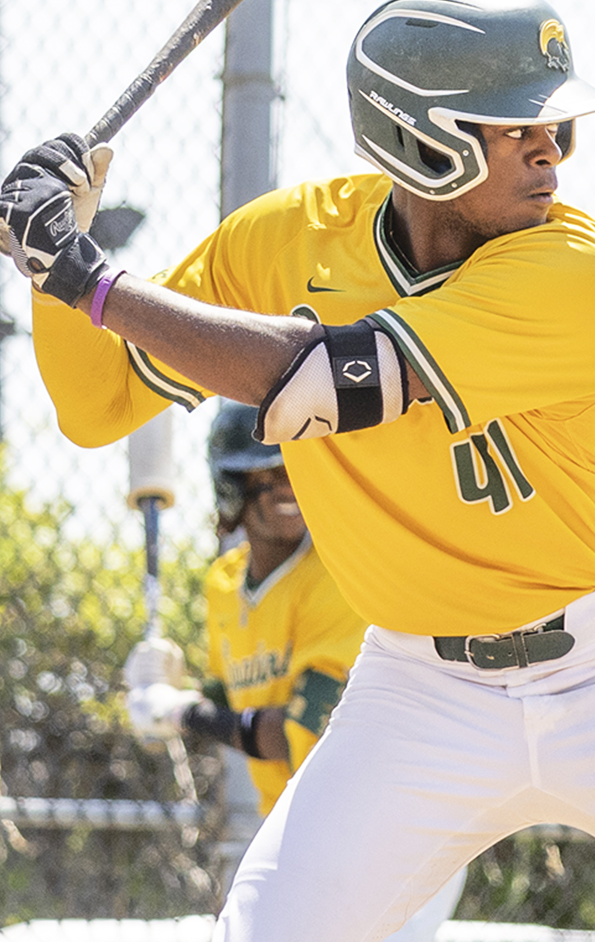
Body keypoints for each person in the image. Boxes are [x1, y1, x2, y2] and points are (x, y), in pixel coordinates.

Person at [0, 0, 595, 942]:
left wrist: (89, 275)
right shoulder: (290, 239)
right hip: (421, 693)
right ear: (419, 139)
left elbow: (325, 381)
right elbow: (94, 401)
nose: (551, 152)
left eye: (554, 127)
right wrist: (53, 276)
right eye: (514, 127)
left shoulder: (573, 267)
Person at [122, 400, 466, 940]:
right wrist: (164, 688)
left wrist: (178, 713)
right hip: (305, 834)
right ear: (233, 484)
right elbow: (233, 705)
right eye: (268, 470)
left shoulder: (337, 577)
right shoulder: (224, 585)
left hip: (392, 831)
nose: (287, 485)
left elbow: (292, 731)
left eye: (296, 467)